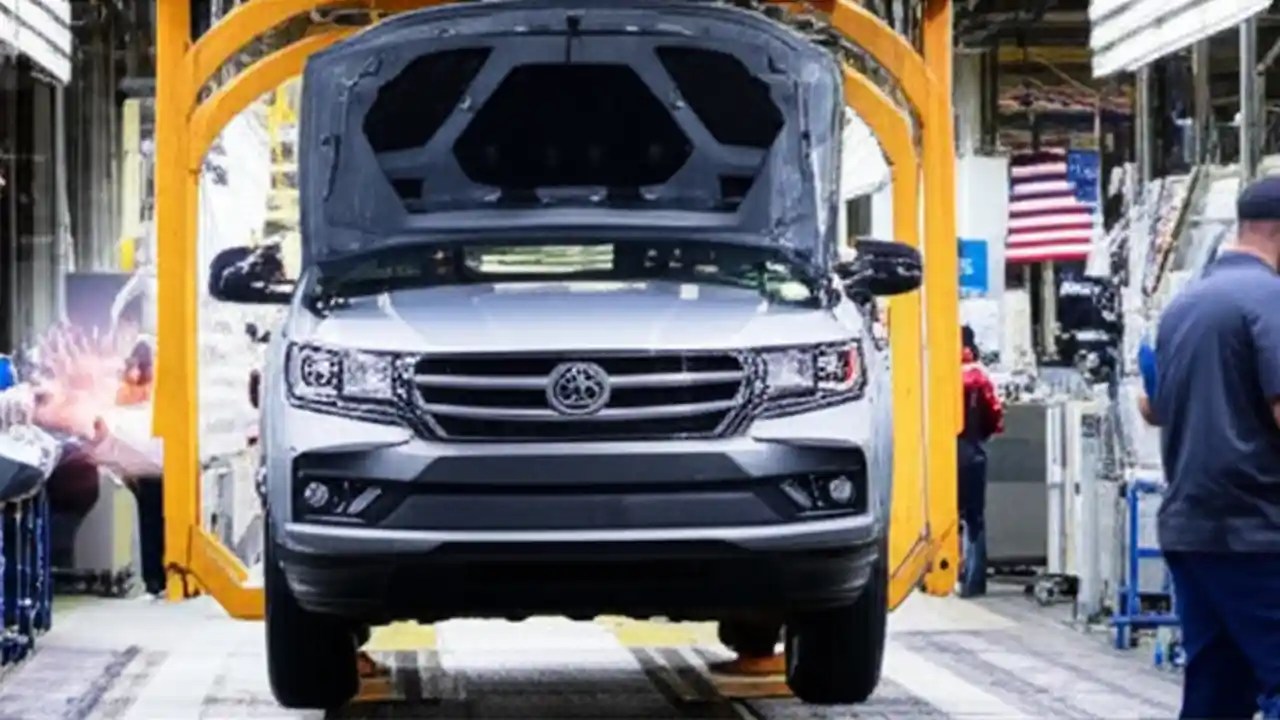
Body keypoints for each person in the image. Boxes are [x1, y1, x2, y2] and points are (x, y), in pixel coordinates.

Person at [1144, 176, 1280, 719]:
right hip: (1256, 529)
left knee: (1217, 691)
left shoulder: (1184, 305)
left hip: (1190, 529)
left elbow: (1151, 406)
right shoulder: (1269, 300)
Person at [957, 324, 1003, 598]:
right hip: (973, 452)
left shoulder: (939, 372)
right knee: (975, 519)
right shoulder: (979, 376)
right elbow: (994, 416)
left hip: (943, 454)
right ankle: (974, 582)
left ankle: (941, 573)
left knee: (945, 516)